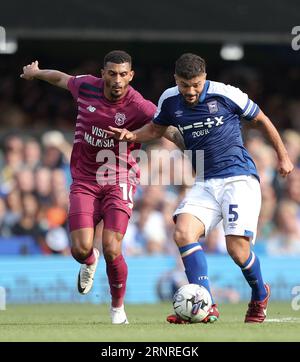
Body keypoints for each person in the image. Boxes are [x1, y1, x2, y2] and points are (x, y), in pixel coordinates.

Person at [108, 53, 294, 323]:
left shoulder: (226, 94)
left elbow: (261, 119)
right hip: (205, 181)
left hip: (238, 178)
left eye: (196, 84)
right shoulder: (170, 99)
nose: (191, 91)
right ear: (176, 80)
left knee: (238, 250)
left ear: (204, 78)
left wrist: (283, 156)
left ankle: (259, 293)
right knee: (183, 232)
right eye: (185, 85)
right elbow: (157, 130)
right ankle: (205, 305)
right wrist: (133, 136)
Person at [20, 50, 184, 324]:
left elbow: (167, 131)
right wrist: (36, 74)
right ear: (103, 73)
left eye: (123, 74)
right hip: (84, 180)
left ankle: (117, 309)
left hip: (119, 178)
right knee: (80, 249)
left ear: (130, 76)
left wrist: (195, 143)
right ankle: (88, 260)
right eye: (112, 73)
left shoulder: (140, 106)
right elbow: (61, 79)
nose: (117, 80)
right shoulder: (86, 86)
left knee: (112, 247)